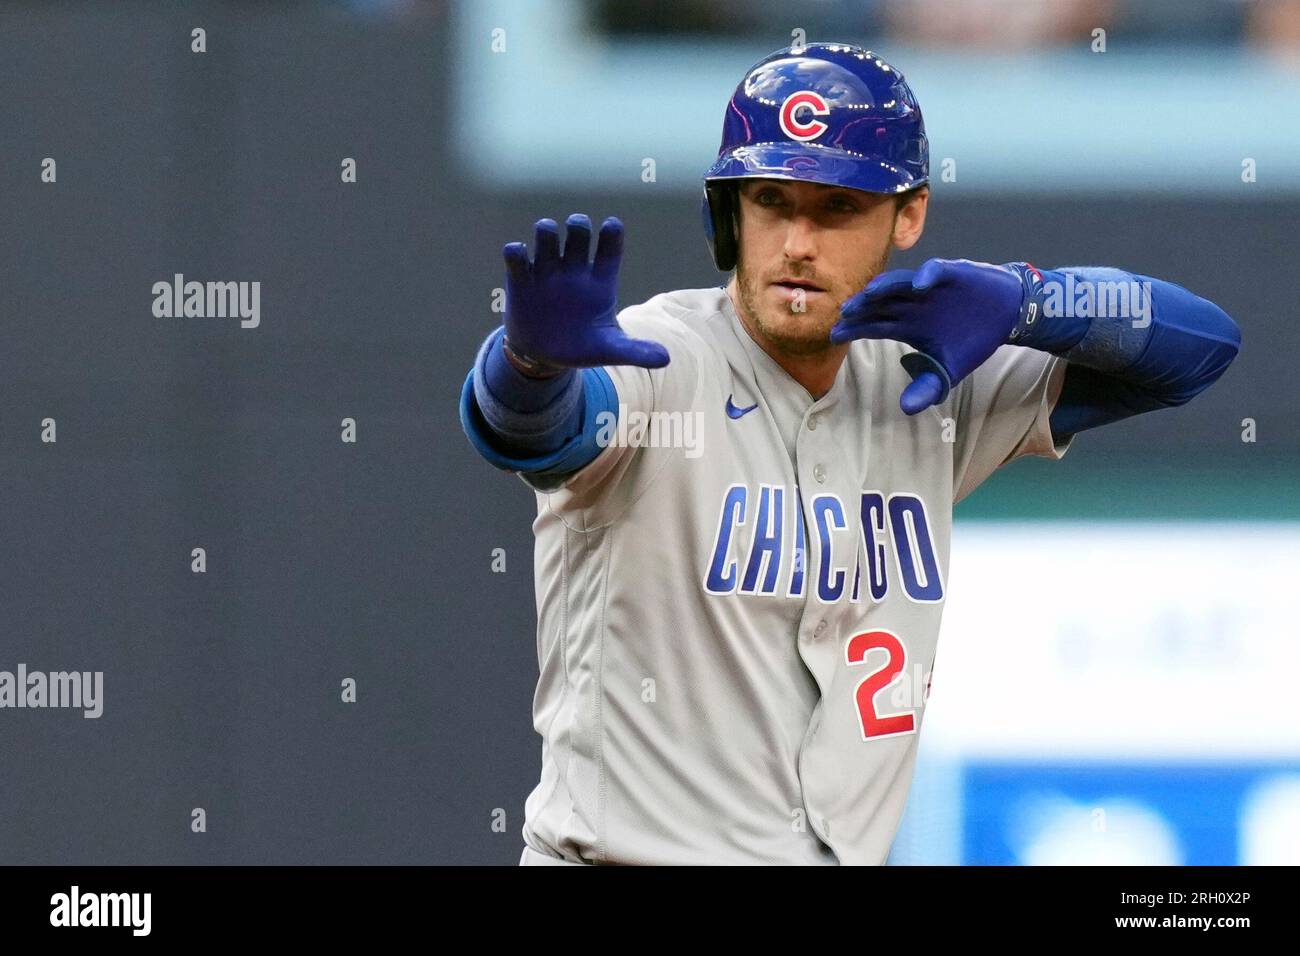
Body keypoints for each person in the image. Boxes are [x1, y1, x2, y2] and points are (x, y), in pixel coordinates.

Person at [458, 42, 1241, 865]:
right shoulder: (662, 357)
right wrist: (530, 365)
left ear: (908, 215)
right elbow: (536, 430)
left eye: (837, 207)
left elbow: (1200, 349)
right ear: (727, 217)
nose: (798, 242)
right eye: (770, 201)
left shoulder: (931, 377)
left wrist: (1026, 298)